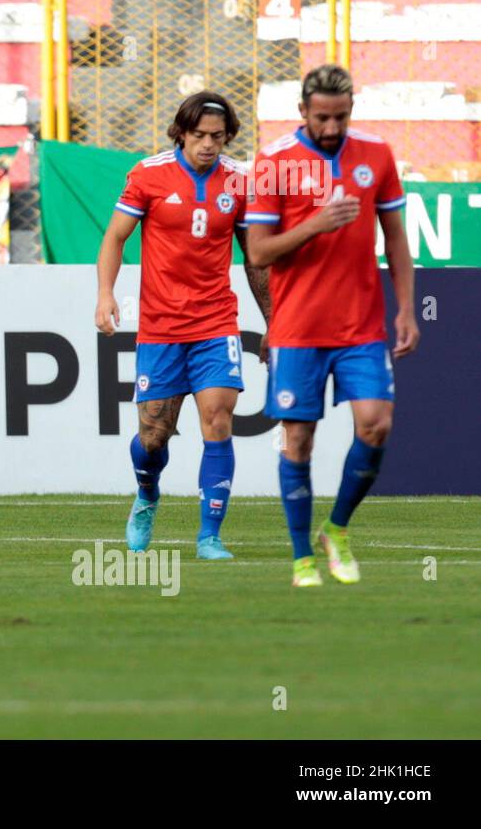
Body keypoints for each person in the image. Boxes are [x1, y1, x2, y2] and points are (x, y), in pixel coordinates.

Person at [246, 64, 418, 587]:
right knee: (298, 440)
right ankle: (302, 559)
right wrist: (315, 224)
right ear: (302, 111)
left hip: (360, 324)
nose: (331, 127)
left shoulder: (376, 154)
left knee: (376, 423)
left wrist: (406, 308)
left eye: (340, 116)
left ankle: (336, 529)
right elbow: (257, 251)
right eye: (321, 117)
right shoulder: (273, 162)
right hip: (297, 326)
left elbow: (396, 239)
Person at [95, 91, 271, 559]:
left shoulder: (239, 181)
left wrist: (276, 320)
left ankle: (209, 536)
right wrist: (106, 294)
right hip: (161, 327)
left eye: (218, 136)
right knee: (153, 437)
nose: (209, 145)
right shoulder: (148, 174)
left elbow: (256, 259)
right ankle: (147, 493)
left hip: (216, 323)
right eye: (199, 136)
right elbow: (114, 237)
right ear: (181, 133)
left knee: (218, 419)